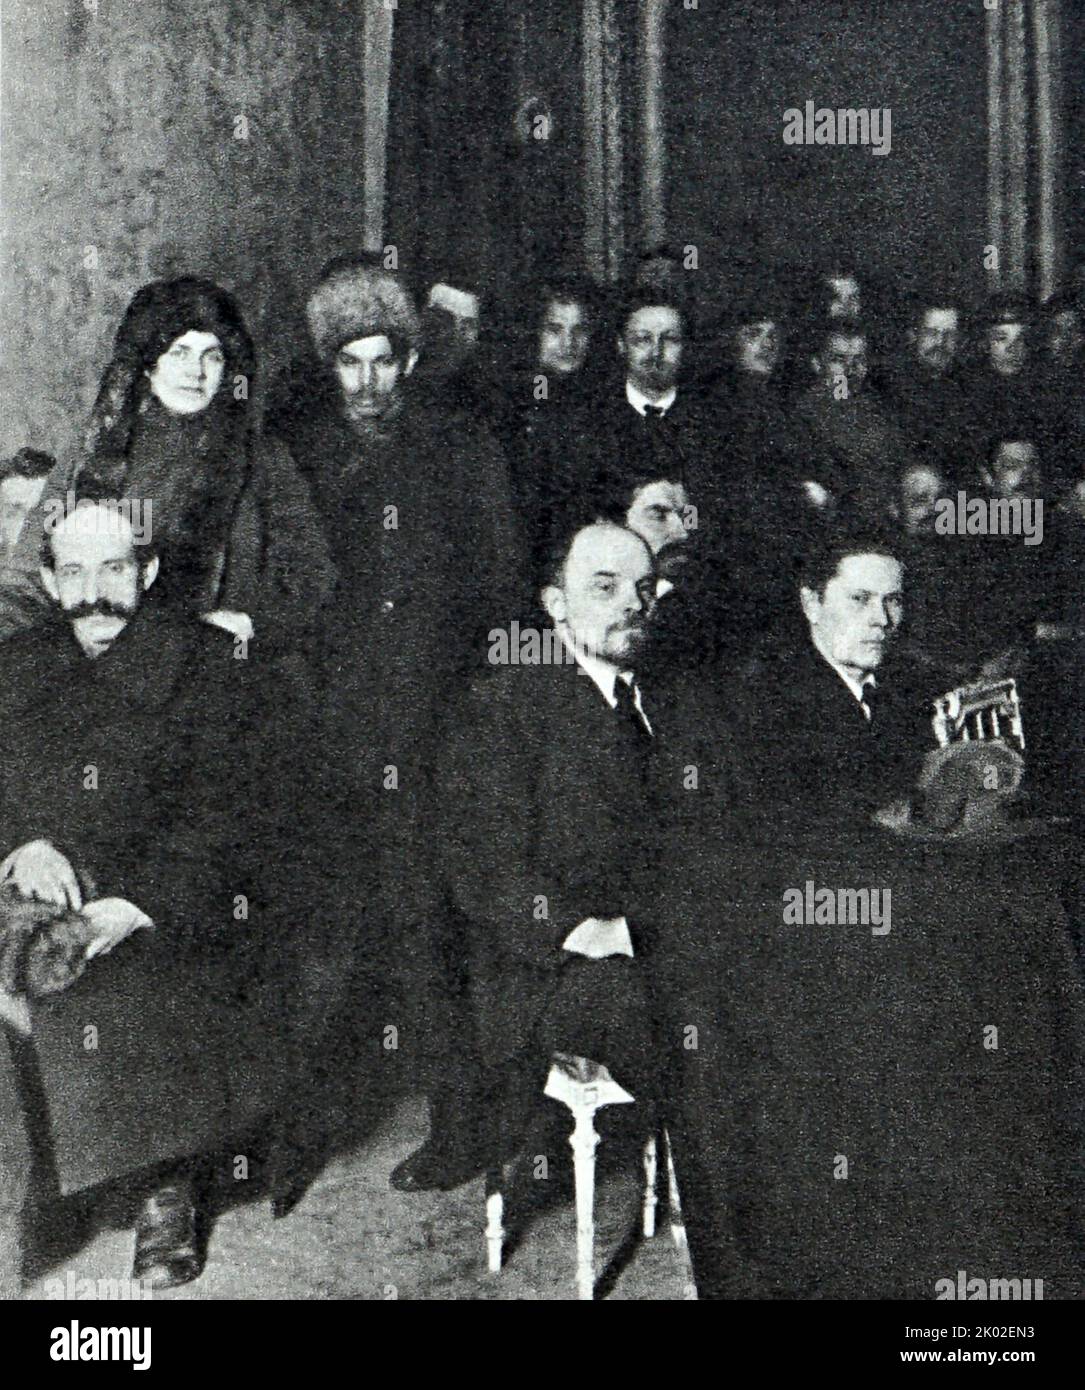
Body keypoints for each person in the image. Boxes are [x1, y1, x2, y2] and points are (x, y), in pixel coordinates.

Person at [267, 255, 526, 1197]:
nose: (370, 383)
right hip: (324, 729)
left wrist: (484, 724)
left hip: (432, 727)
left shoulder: (463, 448)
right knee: (319, 934)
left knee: (427, 928)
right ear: (326, 365)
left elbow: (503, 598)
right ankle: (293, 1135)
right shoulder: (291, 453)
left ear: (411, 360)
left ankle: (461, 1123)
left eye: (387, 360)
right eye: (351, 363)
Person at [0, 494, 291, 1291]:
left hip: (173, 896)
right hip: (35, 893)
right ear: (53, 584)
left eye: (116, 569)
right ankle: (28, 1188)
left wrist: (134, 905)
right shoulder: (18, 664)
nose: (96, 591)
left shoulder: (211, 667)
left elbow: (240, 816)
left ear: (150, 572)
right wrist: (21, 842)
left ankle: (168, 1186)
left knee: (136, 982)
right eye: (76, 572)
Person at [436, 521, 661, 1157]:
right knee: (712, 1016)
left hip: (654, 938)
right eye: (605, 587)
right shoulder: (504, 706)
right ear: (556, 605)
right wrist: (594, 932)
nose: (632, 606)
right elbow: (484, 867)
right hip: (548, 971)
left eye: (644, 588)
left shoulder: (663, 698)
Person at [0, 277, 335, 654]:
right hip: (105, 668)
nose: (196, 372)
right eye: (179, 352)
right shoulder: (95, 448)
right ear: (148, 364)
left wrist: (253, 620)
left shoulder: (263, 459)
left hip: (218, 666)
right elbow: (31, 575)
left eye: (213, 355)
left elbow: (313, 577)